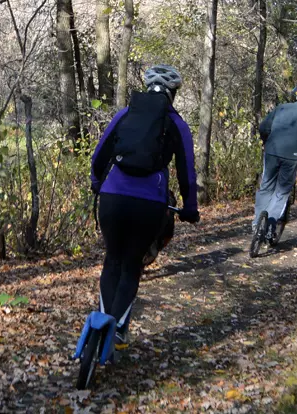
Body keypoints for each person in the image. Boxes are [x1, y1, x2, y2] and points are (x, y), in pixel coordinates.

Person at [90, 64, 200, 348]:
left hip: (112, 198)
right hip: (149, 204)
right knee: (130, 265)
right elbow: (187, 171)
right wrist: (190, 207)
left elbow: (100, 153)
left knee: (112, 259)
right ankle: (115, 330)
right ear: (172, 94)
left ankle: (102, 321)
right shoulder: (177, 124)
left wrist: (96, 181)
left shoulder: (125, 114)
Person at [253, 84, 297, 239]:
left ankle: (256, 226)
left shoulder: (281, 108)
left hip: (272, 152)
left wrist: (267, 142)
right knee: (281, 192)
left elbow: (264, 127)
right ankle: (271, 226)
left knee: (265, 187)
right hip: (292, 156)